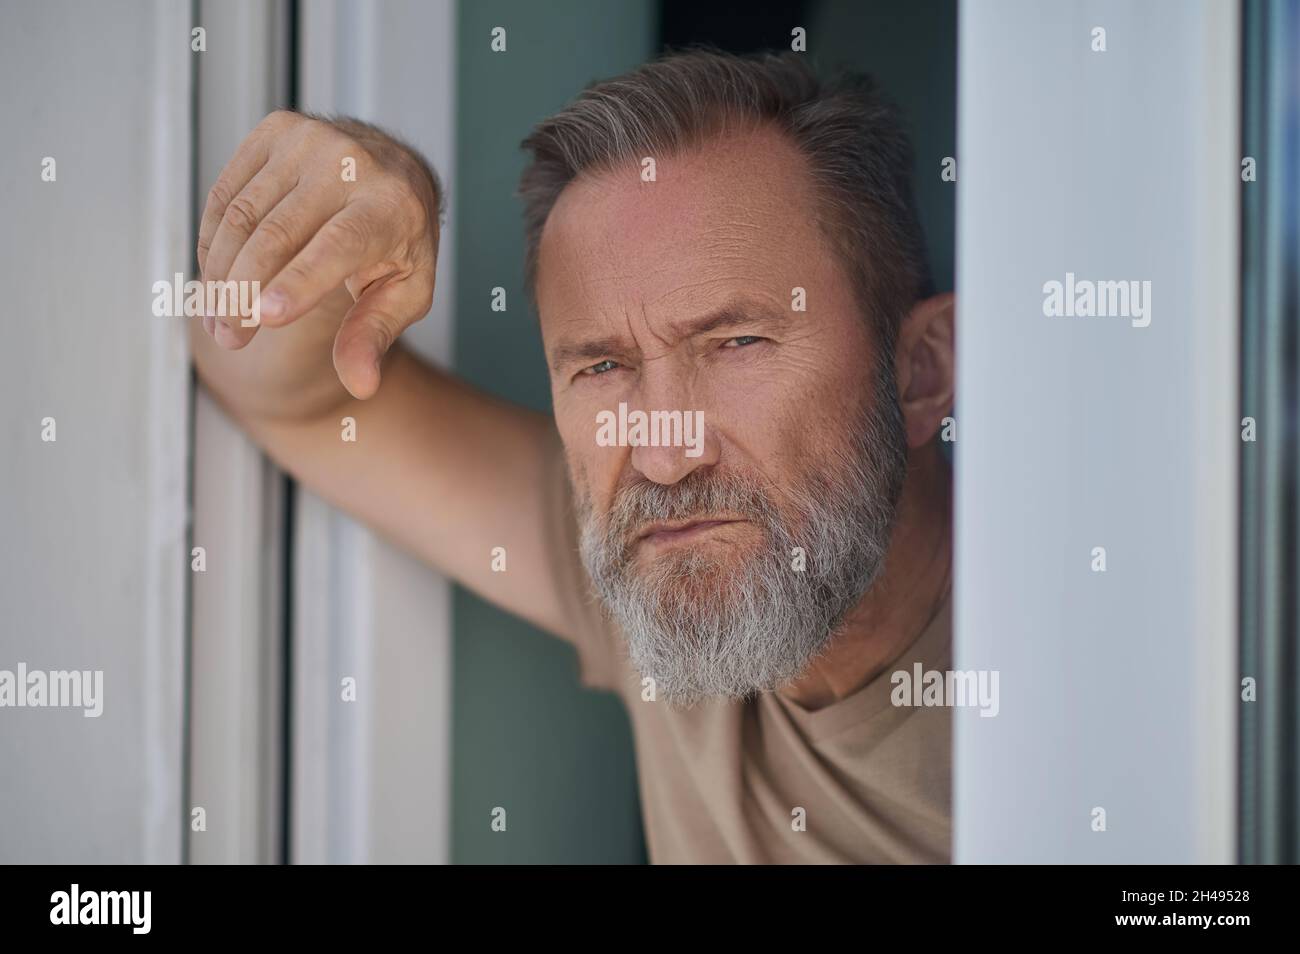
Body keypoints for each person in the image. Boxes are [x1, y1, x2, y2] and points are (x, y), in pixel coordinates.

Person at [191, 49, 955, 863]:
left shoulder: (1064, 706)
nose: (665, 459)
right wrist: (365, 196)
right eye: (601, 367)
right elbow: (293, 393)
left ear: (921, 372)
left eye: (737, 342)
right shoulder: (669, 559)